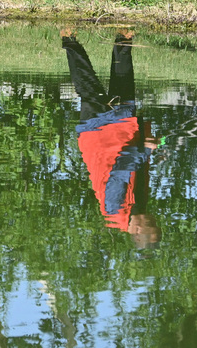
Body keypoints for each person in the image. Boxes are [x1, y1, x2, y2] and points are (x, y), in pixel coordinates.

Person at [64, 30, 161, 249]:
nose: (152, 217)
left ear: (137, 231)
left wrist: (145, 150)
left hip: (98, 132)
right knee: (124, 82)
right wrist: (148, 142)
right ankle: (123, 36)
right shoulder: (139, 207)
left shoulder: (114, 208)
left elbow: (120, 170)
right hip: (124, 129)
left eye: (150, 223)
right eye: (154, 222)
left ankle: (69, 36)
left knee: (86, 82)